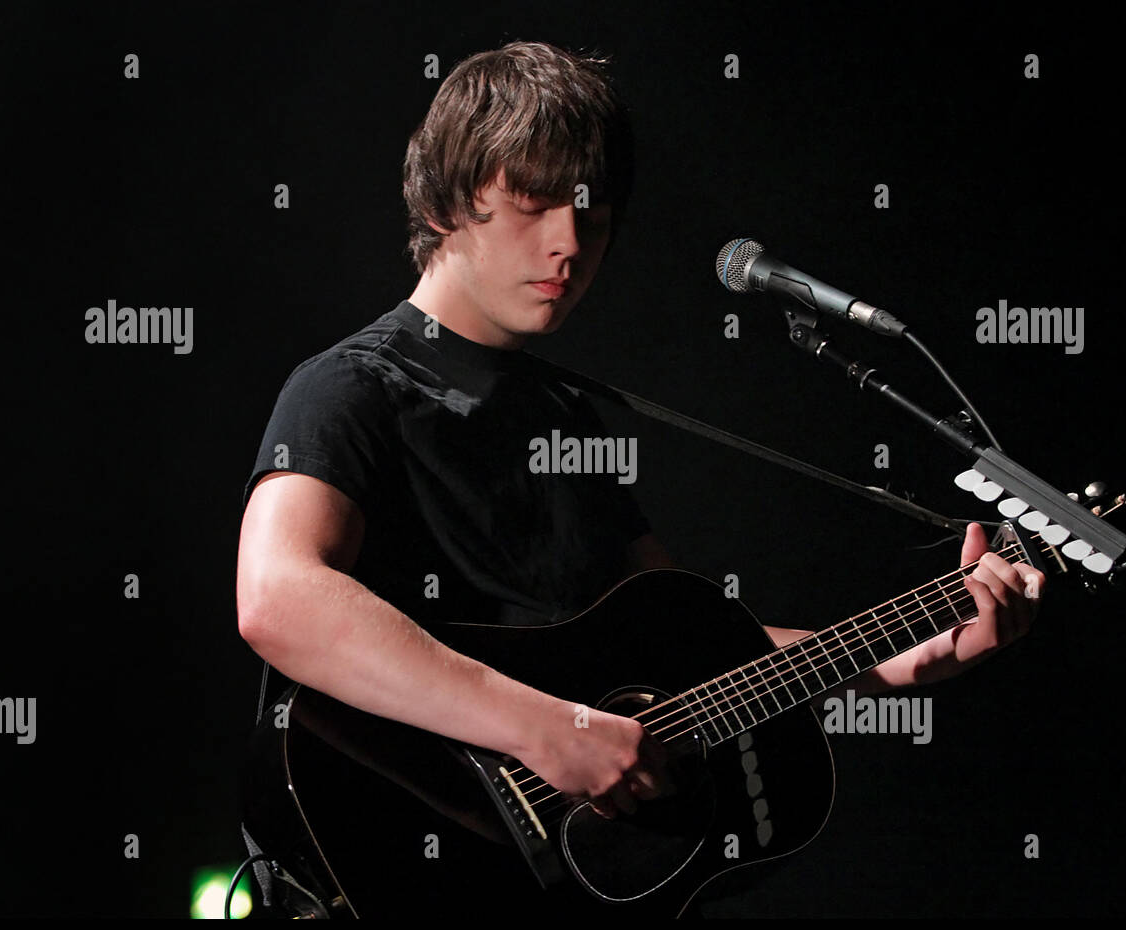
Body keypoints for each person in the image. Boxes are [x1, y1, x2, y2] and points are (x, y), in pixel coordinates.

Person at [236, 41, 1043, 831]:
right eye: (534, 204)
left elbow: (691, 648)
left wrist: (900, 659)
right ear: (449, 205)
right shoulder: (348, 387)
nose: (569, 244)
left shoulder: (563, 420)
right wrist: (545, 731)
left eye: (590, 213)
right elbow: (278, 599)